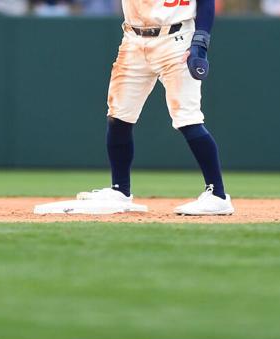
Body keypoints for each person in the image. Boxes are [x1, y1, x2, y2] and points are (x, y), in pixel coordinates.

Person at [79, 0, 234, 215]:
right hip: (133, 39)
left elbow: (206, 3)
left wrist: (200, 42)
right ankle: (120, 190)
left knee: (187, 118)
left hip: (176, 40)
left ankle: (218, 195)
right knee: (118, 116)